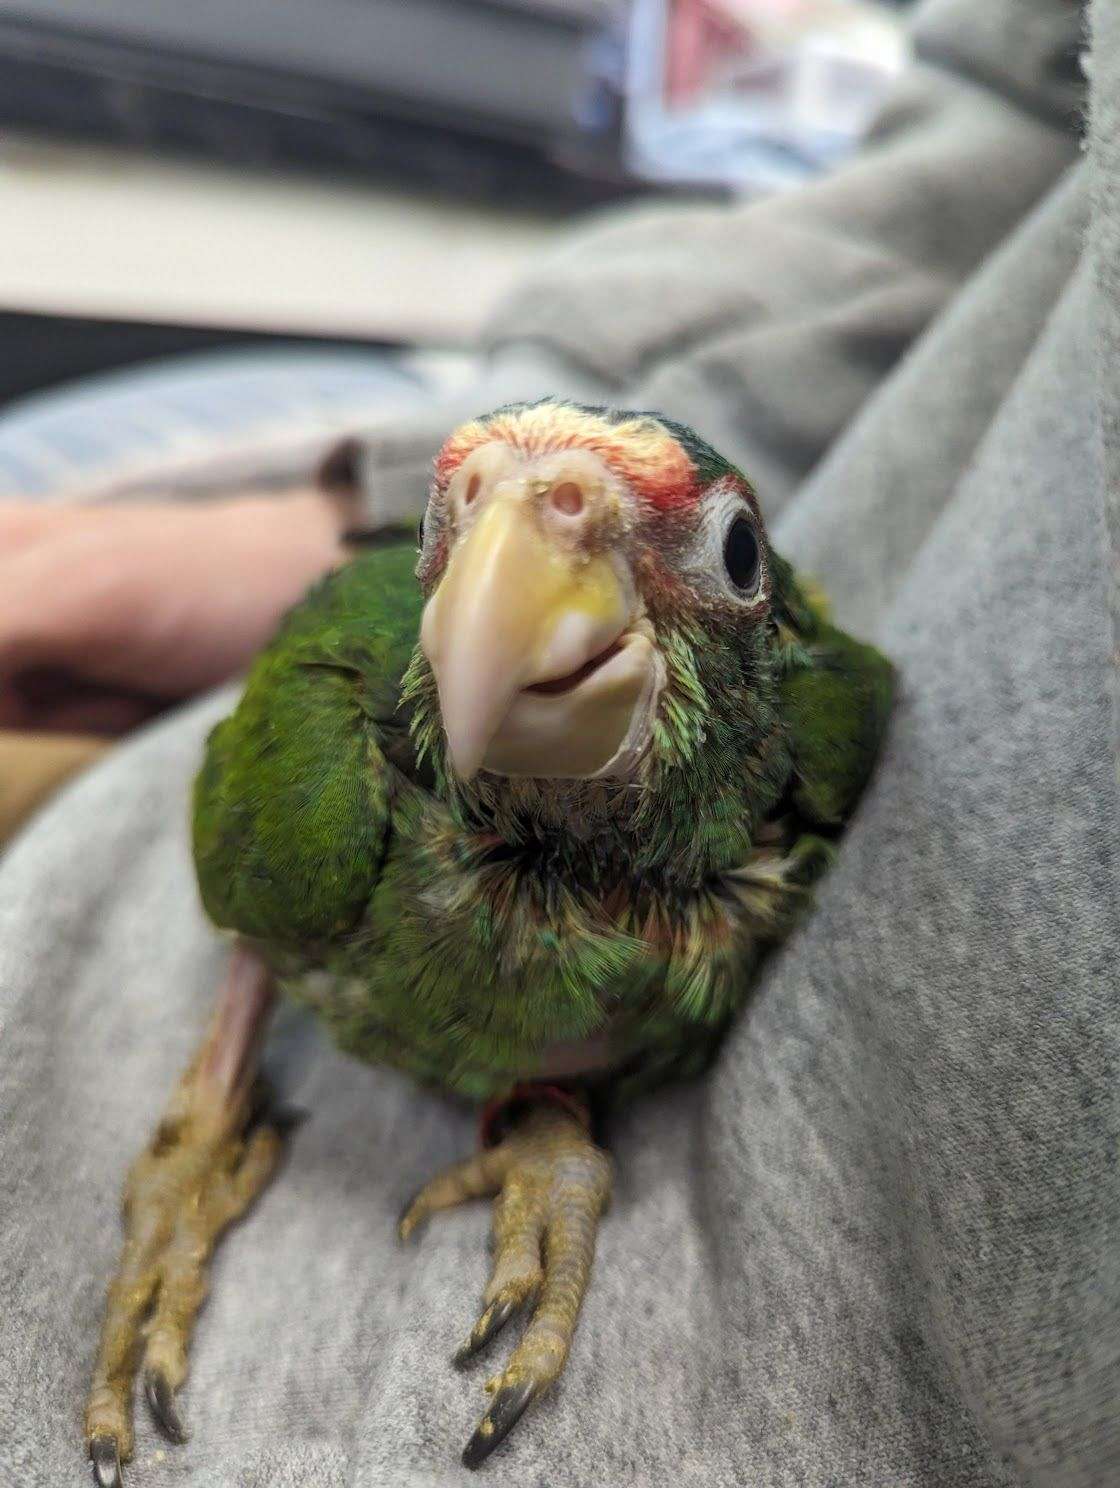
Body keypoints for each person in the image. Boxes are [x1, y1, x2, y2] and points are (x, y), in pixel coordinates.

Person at [3, 1, 1116, 1484]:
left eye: (717, 559)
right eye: (465, 532)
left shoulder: (824, 727)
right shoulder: (337, 782)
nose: (521, 560)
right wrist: (202, 1121)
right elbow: (1011, 115)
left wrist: (548, 1100)